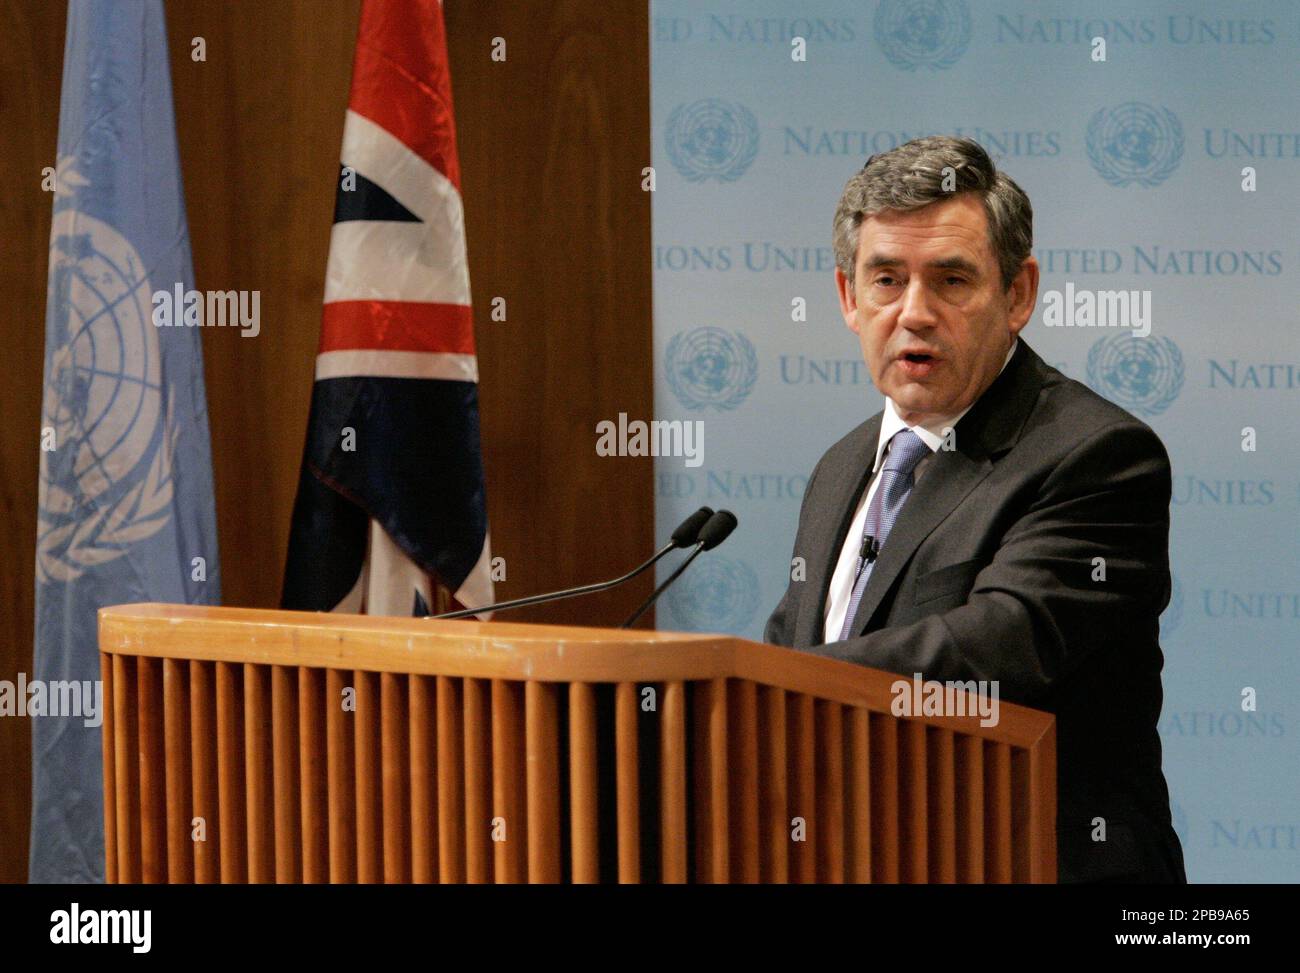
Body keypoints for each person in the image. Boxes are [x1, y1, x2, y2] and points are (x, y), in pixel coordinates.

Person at [765, 135, 1186, 884]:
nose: (914, 313)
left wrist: (766, 684)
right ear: (848, 298)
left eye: (951, 280)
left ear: (1018, 294)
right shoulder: (841, 467)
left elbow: (1001, 647)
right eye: (886, 279)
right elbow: (795, 651)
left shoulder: (1099, 454)